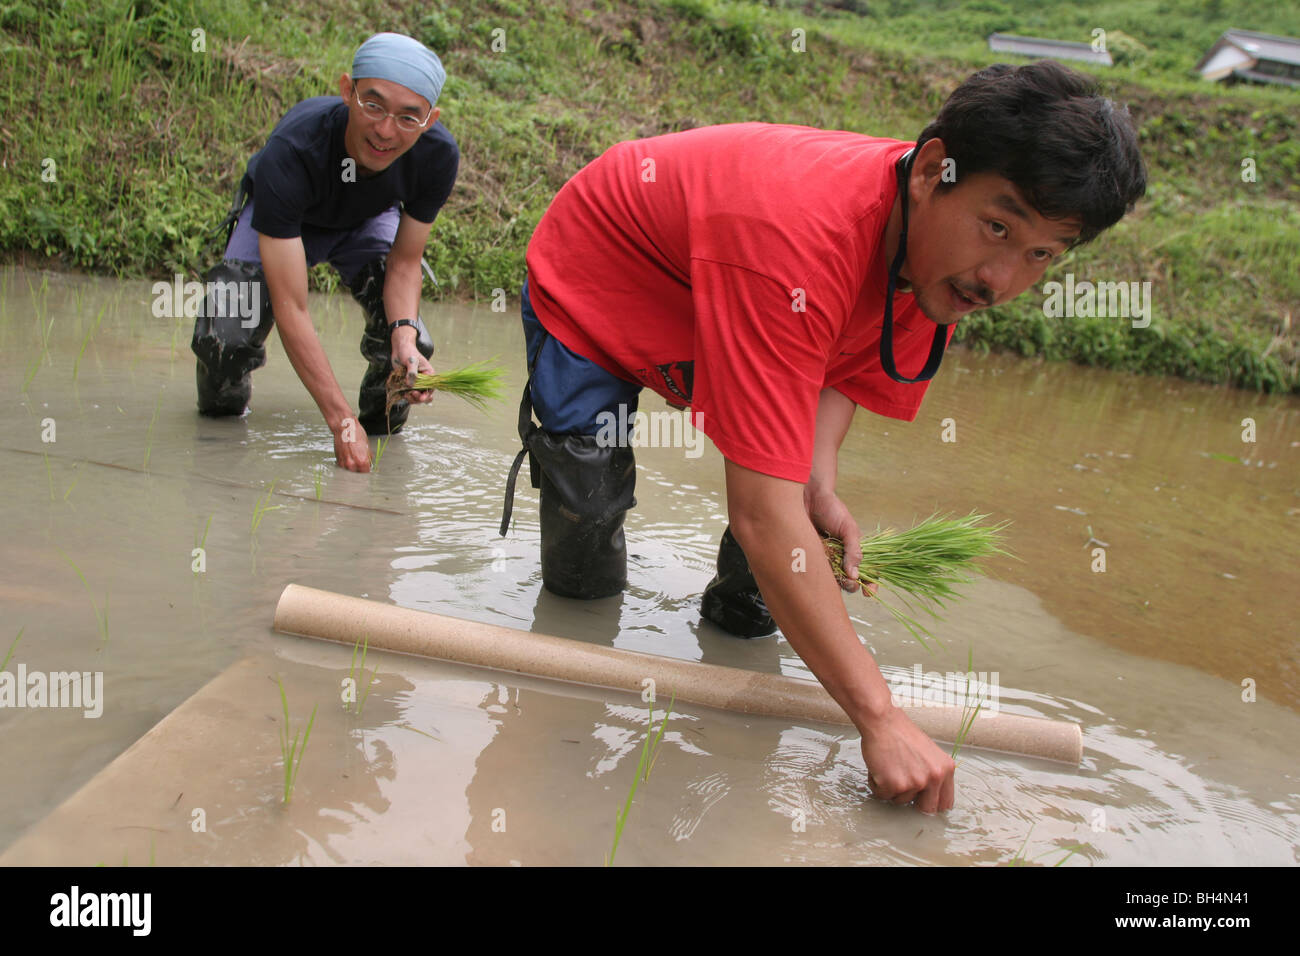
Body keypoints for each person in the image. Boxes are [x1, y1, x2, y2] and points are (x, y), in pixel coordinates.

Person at [501, 61, 1146, 812]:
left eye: (1041, 254)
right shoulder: (797, 239)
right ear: (933, 170)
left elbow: (852, 362)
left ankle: (736, 677)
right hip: (604, 276)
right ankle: (562, 714)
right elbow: (759, 515)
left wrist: (817, 476)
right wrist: (880, 717)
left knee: (783, 536)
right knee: (589, 512)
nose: (1001, 277)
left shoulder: (937, 262)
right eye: (997, 227)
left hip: (734, 283)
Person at [191, 32, 459, 472]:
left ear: (429, 120)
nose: (386, 131)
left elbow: (405, 262)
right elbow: (291, 306)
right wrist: (339, 421)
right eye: (372, 105)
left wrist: (405, 339)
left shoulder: (436, 155)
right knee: (225, 340)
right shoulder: (294, 149)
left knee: (406, 341)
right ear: (346, 91)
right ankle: (219, 439)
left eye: (409, 117)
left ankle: (379, 434)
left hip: (366, 222)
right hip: (284, 224)